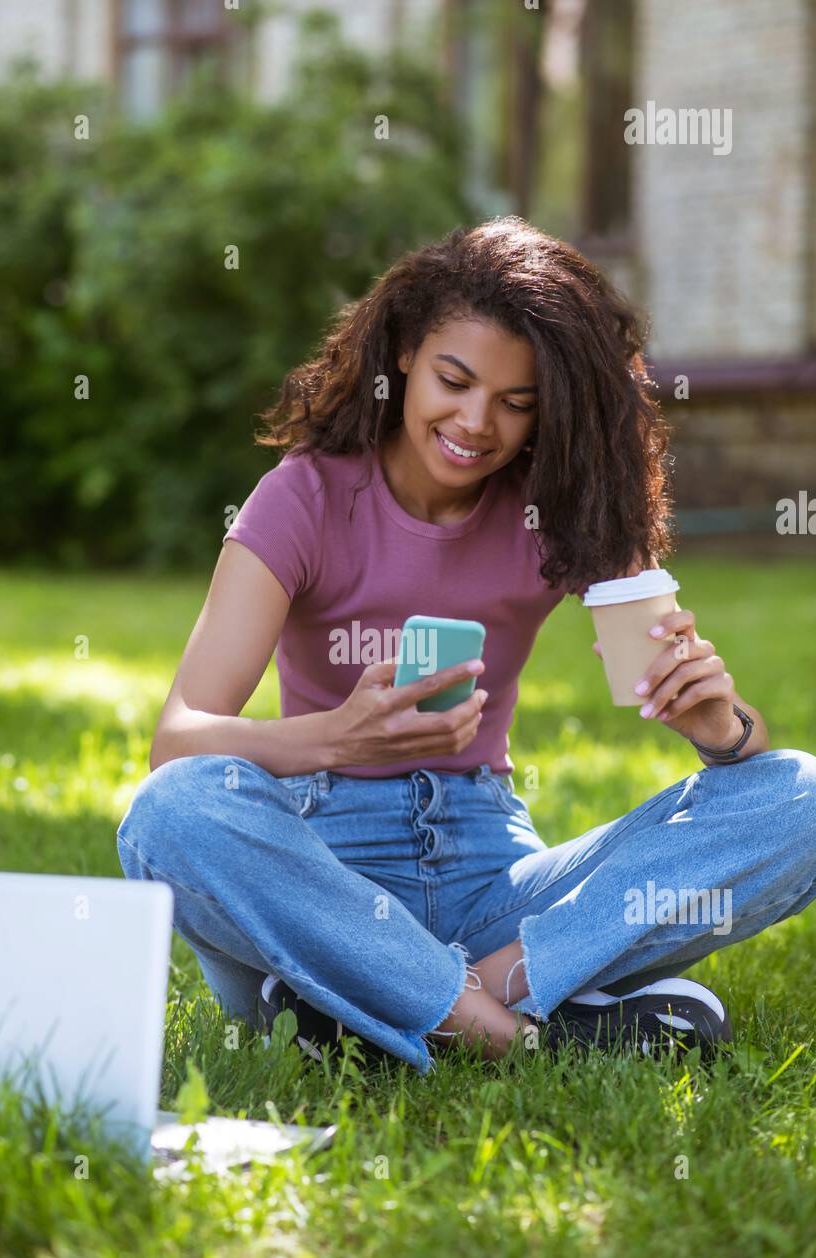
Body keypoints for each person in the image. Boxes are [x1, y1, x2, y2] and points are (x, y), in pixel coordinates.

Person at [116, 216, 816, 1073]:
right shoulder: (301, 498)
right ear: (406, 351)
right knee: (171, 813)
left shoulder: (557, 505)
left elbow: (705, 714)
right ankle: (513, 1032)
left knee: (802, 797)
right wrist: (343, 736)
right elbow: (177, 739)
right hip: (321, 878)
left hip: (491, 882)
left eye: (517, 403)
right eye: (455, 380)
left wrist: (721, 729)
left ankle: (388, 1006)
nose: (477, 423)